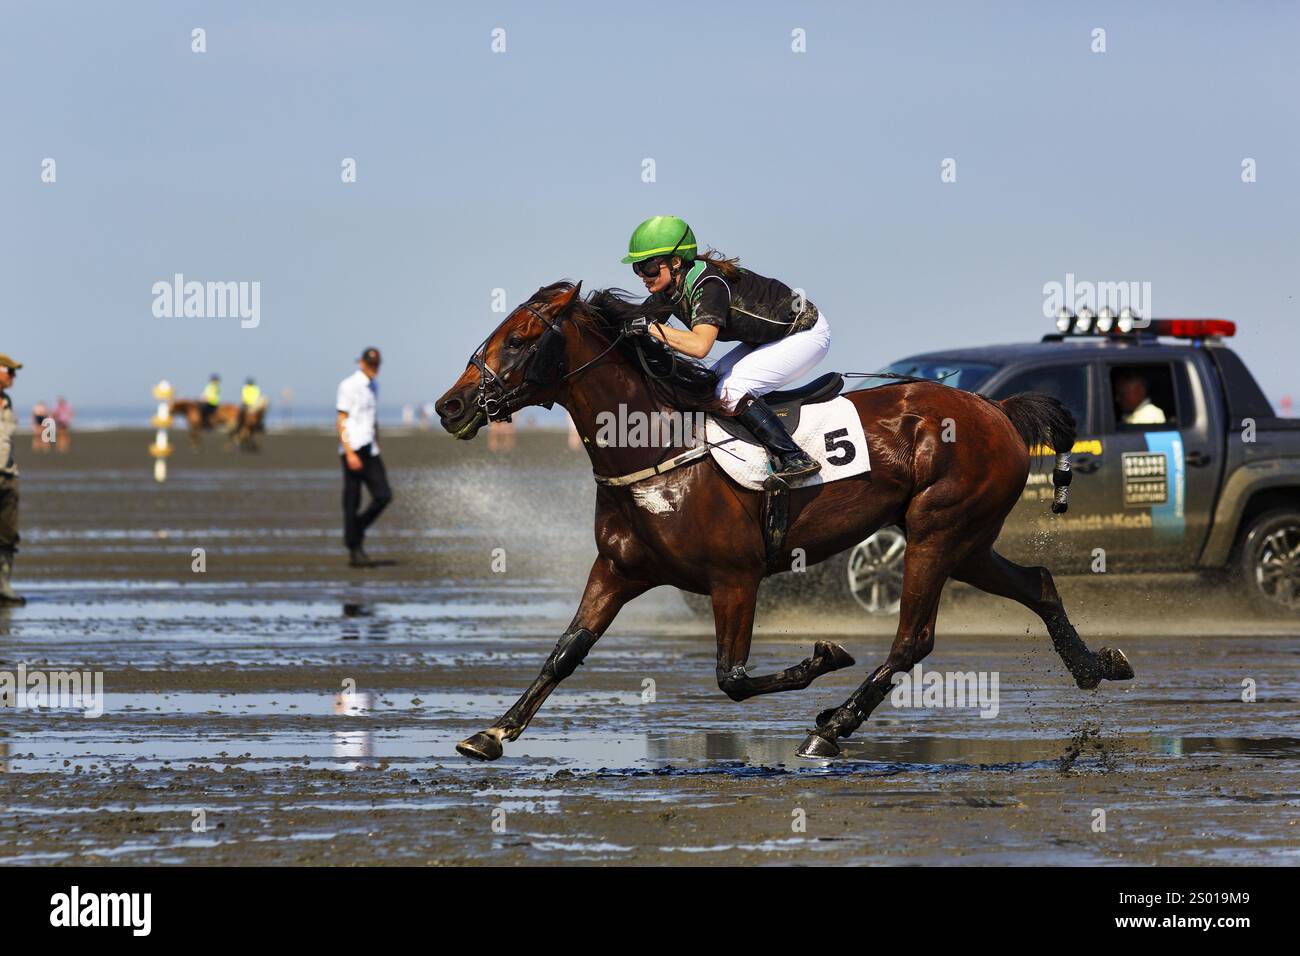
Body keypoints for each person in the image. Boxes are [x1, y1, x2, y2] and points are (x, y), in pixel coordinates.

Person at [620, 216, 828, 480]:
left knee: (731, 390)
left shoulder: (708, 285)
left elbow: (699, 346)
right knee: (706, 385)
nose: (641, 275)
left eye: (648, 266)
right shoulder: (670, 289)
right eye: (637, 267)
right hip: (770, 338)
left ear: (675, 262)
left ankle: (794, 457)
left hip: (805, 333)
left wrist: (650, 328)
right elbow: (634, 321)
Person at [336, 348, 392, 568]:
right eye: (370, 364)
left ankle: (356, 528)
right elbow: (341, 421)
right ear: (361, 363)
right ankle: (354, 549)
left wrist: (376, 442)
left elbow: (372, 418)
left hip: (370, 449)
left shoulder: (374, 386)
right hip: (352, 449)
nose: (374, 368)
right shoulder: (348, 386)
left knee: (383, 495)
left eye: (377, 364)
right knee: (352, 499)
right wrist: (348, 452)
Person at [0, 354, 26, 606]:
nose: (13, 378)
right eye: (9, 372)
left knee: (7, 533)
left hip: (8, 477)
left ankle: (3, 586)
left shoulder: (7, 402)